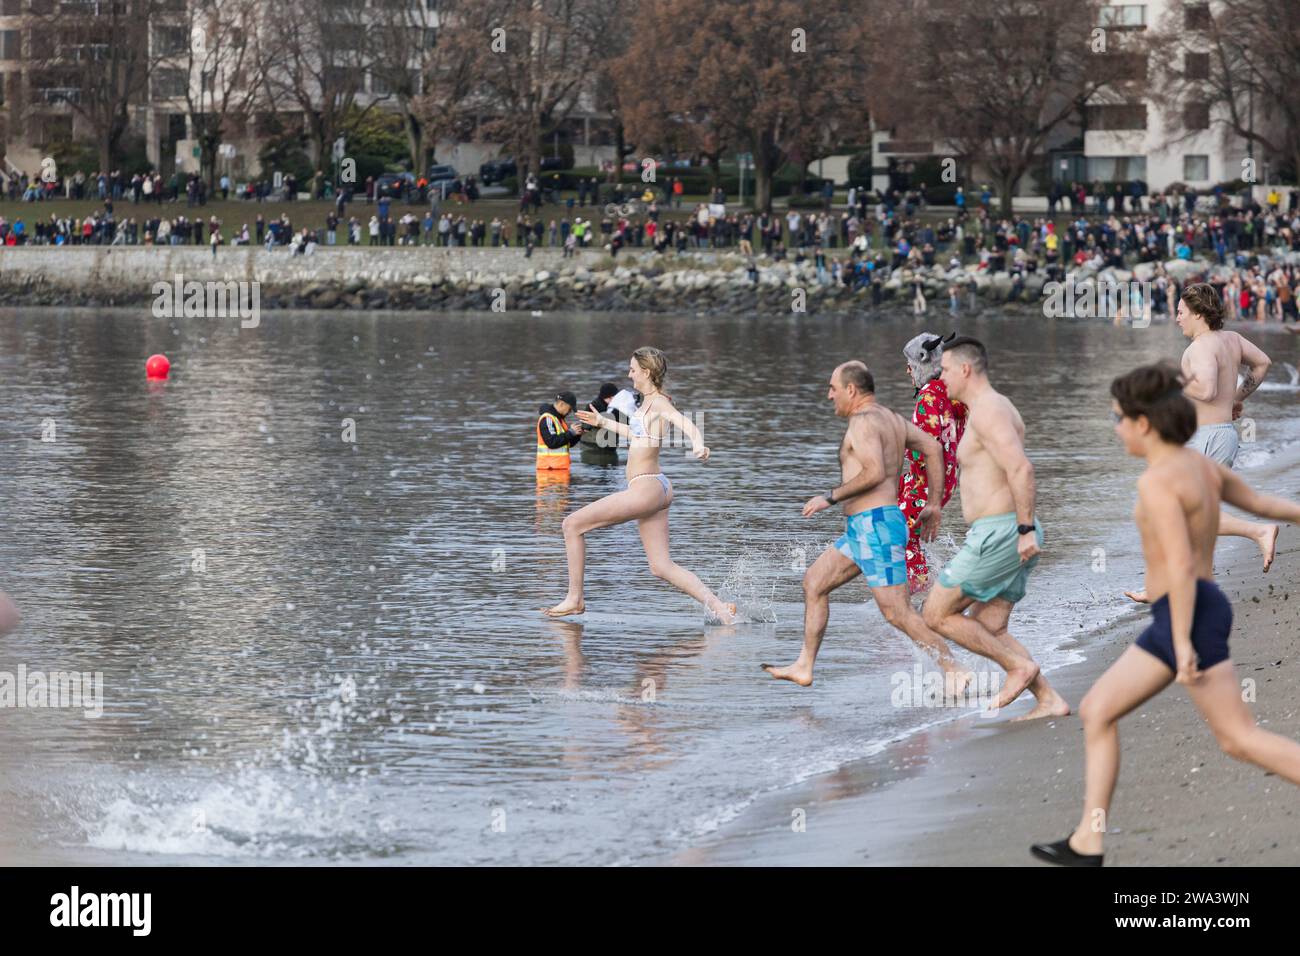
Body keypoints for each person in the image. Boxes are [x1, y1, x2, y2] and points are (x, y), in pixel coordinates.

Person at [1031, 364, 1300, 866]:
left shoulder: (1157, 482)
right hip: (1195, 610)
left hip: (1187, 614)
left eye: (1117, 418)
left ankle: (1089, 843)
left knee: (1238, 738)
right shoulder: (1199, 467)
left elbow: (1178, 562)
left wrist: (1179, 641)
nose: (1115, 429)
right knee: (1098, 710)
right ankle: (1088, 844)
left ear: (1144, 424)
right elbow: (1262, 503)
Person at [762, 361, 967, 689]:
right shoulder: (892, 419)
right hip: (862, 529)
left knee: (897, 613)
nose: (829, 396)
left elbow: (874, 473)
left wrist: (829, 497)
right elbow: (932, 448)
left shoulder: (862, 422)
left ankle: (954, 669)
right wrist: (932, 504)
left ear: (851, 390)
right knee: (814, 582)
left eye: (833, 389)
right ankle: (804, 665)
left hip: (877, 528)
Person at [921, 337, 1070, 719]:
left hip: (1002, 532)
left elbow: (1021, 468)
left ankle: (1019, 668)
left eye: (947, 370)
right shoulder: (993, 407)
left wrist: (1023, 530)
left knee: (935, 613)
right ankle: (1049, 699)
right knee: (990, 625)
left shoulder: (988, 410)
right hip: (1006, 530)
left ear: (966, 369)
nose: (943, 378)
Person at [544, 348, 737, 623]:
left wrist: (698, 444)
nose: (629, 374)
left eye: (633, 369)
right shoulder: (645, 404)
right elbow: (637, 436)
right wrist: (601, 422)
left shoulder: (658, 403)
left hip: (646, 488)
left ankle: (575, 599)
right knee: (661, 566)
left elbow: (684, 422)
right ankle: (720, 608)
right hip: (656, 487)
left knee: (572, 525)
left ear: (646, 372)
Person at [1124, 283, 1277, 603]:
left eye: (1180, 312)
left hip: (1204, 439)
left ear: (1197, 314)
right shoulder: (1231, 340)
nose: (1176, 317)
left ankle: (1258, 532)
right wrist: (1235, 397)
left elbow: (1205, 389)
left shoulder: (1198, 348)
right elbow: (1263, 364)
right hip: (1222, 435)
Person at [898, 333, 967, 592]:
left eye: (909, 363)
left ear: (924, 361)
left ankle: (918, 591)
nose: (907, 369)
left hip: (926, 484)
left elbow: (927, 449)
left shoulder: (928, 396)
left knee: (903, 538)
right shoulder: (955, 394)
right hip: (946, 481)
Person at [578, 383, 628, 465]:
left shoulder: (616, 407)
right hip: (592, 447)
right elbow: (585, 427)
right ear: (608, 397)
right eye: (614, 397)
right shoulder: (593, 407)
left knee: (611, 470)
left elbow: (626, 424)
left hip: (609, 447)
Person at [536, 391, 583, 473]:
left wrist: (578, 434)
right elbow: (552, 442)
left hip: (559, 470)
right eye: (570, 408)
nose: (570, 411)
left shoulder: (559, 419)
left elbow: (567, 443)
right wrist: (571, 433)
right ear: (561, 404)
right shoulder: (548, 418)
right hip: (549, 471)